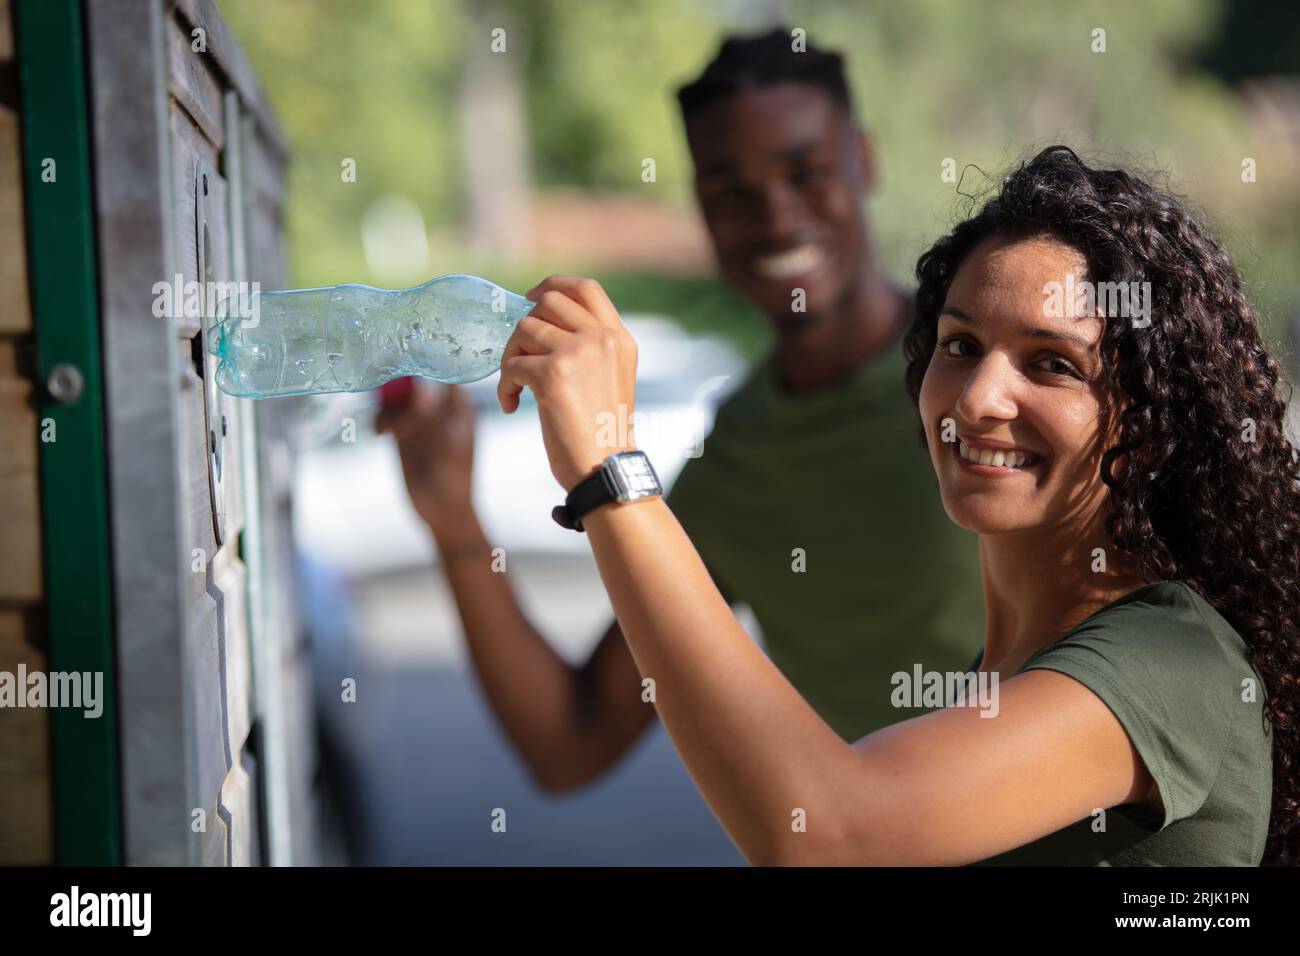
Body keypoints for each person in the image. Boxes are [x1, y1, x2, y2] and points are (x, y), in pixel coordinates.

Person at [494, 146, 1299, 865]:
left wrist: (608, 470)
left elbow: (823, 830)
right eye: (960, 345)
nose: (981, 397)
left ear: (1154, 418)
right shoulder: (990, 687)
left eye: (1051, 364)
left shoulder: (1166, 661)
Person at [377, 27, 982, 791]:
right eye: (732, 192)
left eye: (806, 172)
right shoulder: (738, 457)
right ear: (701, 206)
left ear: (862, 162)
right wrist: (453, 519)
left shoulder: (990, 380)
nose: (774, 214)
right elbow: (571, 740)